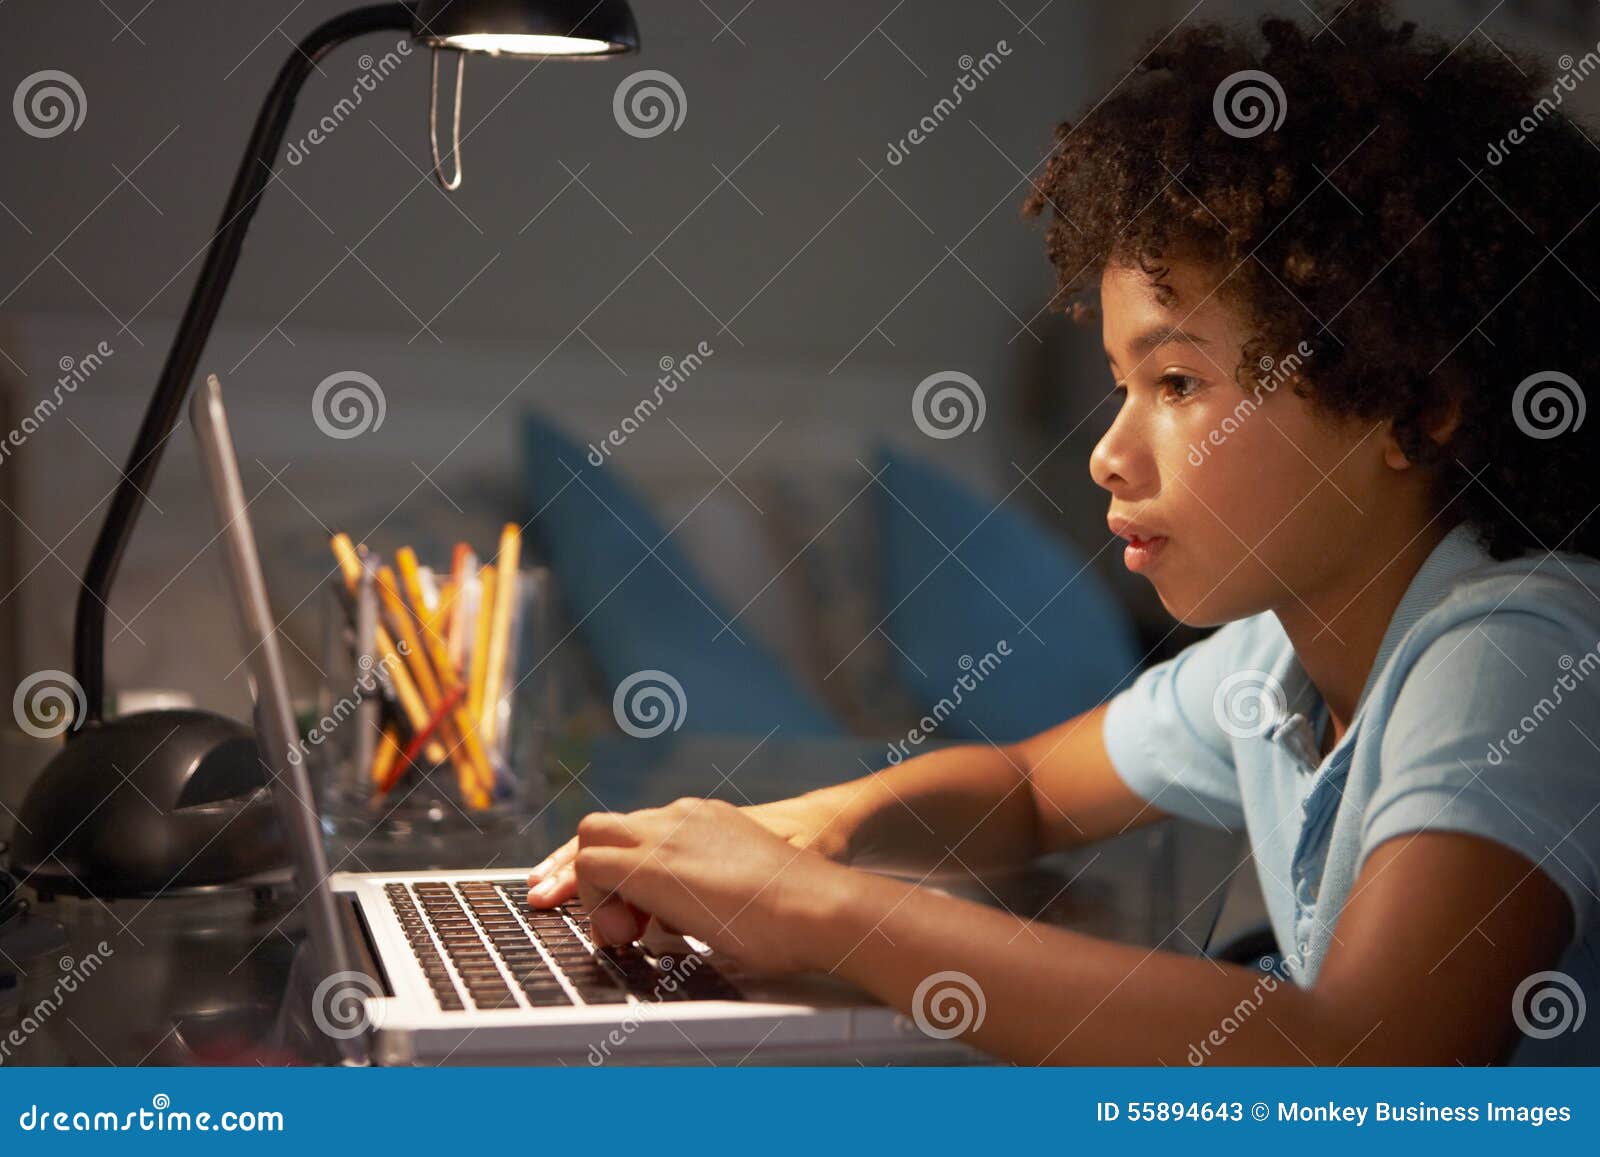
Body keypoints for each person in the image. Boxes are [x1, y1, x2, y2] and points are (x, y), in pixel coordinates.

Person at [527, 0, 1600, 1064]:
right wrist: (802, 828)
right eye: (1123, 384)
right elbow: (1029, 789)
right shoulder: (1276, 661)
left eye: (1177, 381)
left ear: (1409, 404)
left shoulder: (1513, 655)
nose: (1107, 454)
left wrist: (819, 908)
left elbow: (1367, 1057)